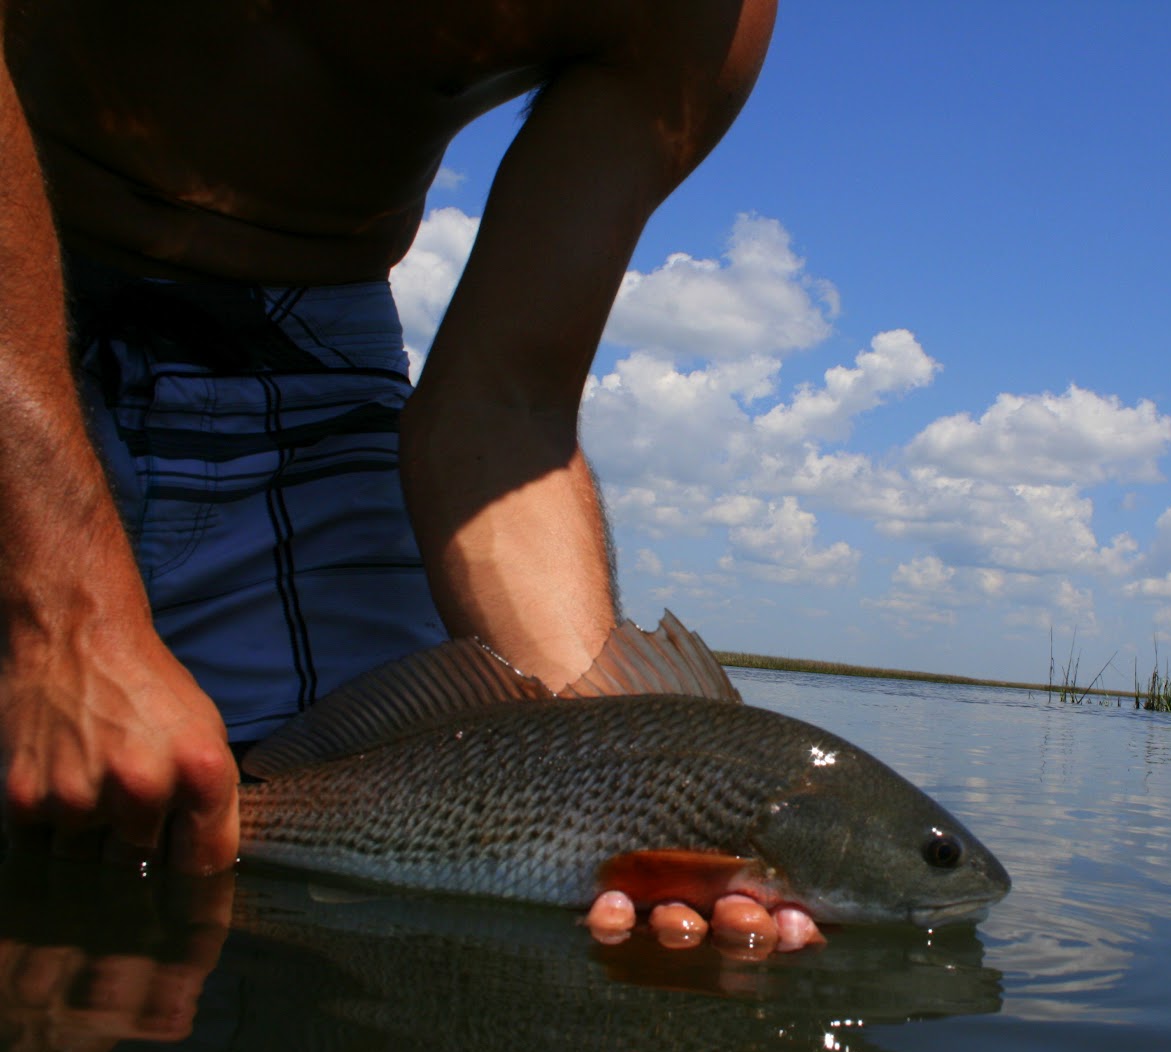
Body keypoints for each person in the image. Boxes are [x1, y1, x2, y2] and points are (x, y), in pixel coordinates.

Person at [0, 0, 806, 949]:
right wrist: (64, 609)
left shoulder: (704, 21)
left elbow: (503, 407)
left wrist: (619, 788)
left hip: (308, 354)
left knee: (275, 894)